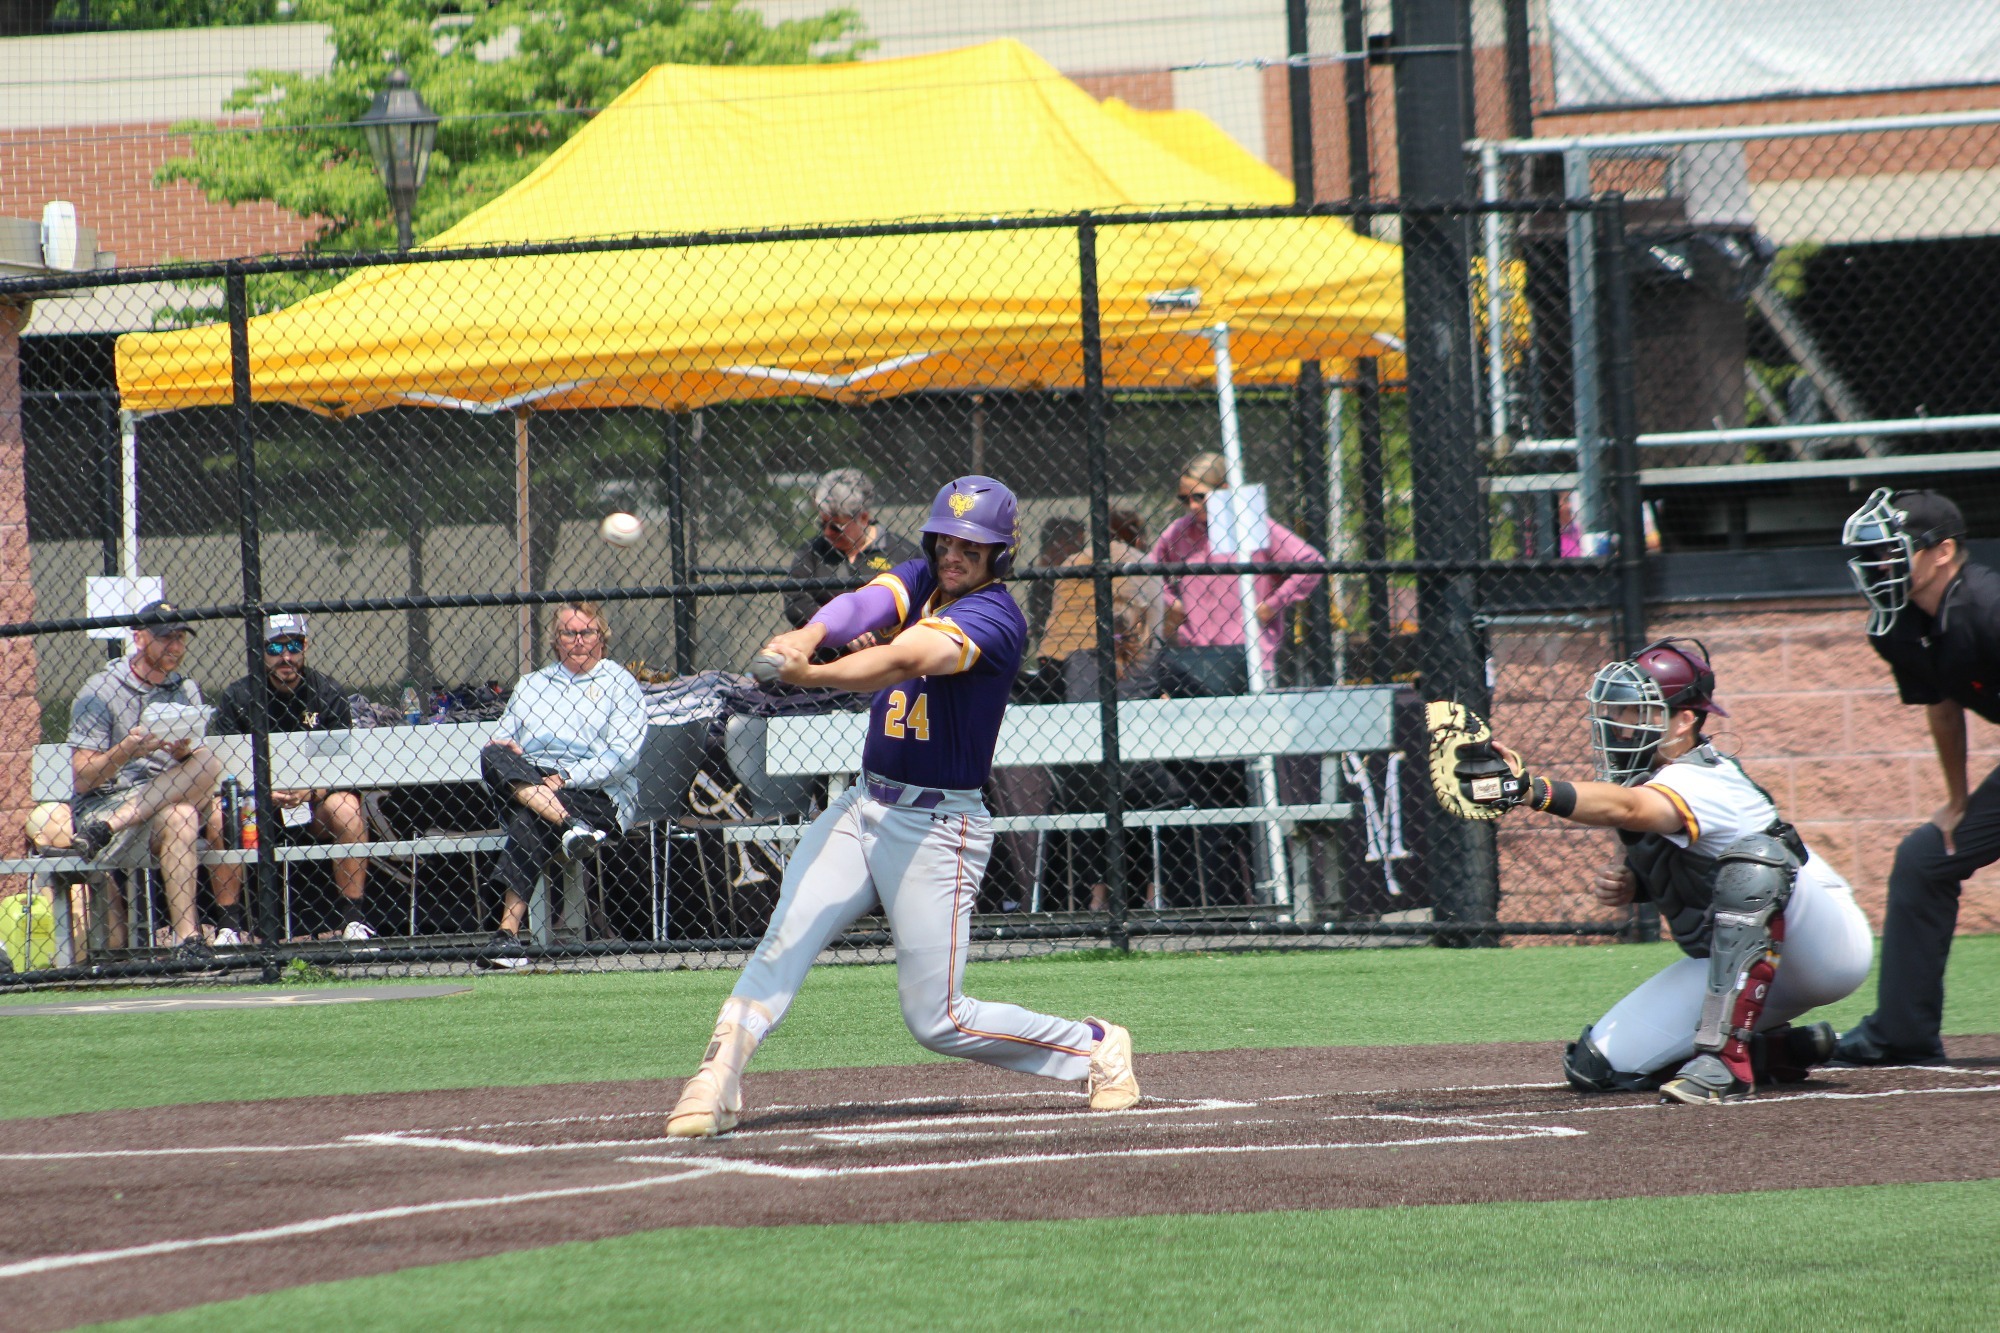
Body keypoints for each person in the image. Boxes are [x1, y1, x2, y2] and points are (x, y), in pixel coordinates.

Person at [665, 476, 1140, 1137]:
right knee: (785, 939)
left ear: (1000, 553)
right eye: (946, 540)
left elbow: (899, 660)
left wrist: (812, 672)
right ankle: (716, 1078)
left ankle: (1094, 1048)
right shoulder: (924, 577)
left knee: (938, 1020)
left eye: (971, 547)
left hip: (937, 826)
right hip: (864, 804)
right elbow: (863, 603)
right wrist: (810, 633)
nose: (954, 555)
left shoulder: (996, 617)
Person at [1454, 638, 1872, 1104]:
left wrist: (1531, 790)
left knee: (1756, 862)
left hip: (1823, 947)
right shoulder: (1652, 776)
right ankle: (1779, 1050)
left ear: (1684, 720)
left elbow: (1631, 808)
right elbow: (1690, 858)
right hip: (1749, 964)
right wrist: (1640, 885)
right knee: (1598, 1067)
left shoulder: (1702, 776)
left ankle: (1724, 1064)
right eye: (1619, 710)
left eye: (1639, 711)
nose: (1622, 722)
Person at [1834, 488, 1994, 1065]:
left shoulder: (1990, 608)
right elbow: (1944, 706)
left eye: (1892, 550)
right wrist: (1957, 800)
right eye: (1871, 554)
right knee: (1925, 859)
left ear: (1943, 551)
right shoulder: (1895, 627)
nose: (1879, 565)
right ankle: (1901, 1034)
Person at [478, 601, 647, 968]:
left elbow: (622, 757)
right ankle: (569, 825)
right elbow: (502, 741)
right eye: (569, 633)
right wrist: (525, 766)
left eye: (587, 632)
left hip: (595, 792)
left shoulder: (619, 683)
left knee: (528, 819)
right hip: (534, 780)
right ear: (556, 640)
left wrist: (567, 777)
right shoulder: (532, 685)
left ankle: (507, 935)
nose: (578, 640)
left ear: (602, 637)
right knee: (492, 754)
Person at [67, 600, 223, 965]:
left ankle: (187, 941)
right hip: (107, 801)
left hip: (144, 811)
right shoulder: (100, 691)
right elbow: (83, 779)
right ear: (139, 638)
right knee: (182, 814)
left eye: (181, 638)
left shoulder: (185, 689)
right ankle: (188, 937)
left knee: (206, 764)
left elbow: (198, 768)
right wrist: (127, 750)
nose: (176, 647)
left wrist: (182, 751)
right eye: (166, 638)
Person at [205, 613, 372, 943]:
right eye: (275, 648)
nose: (285, 656)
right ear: (261, 651)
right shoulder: (239, 697)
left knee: (347, 809)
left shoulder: (327, 693)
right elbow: (224, 769)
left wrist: (309, 792)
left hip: (312, 803)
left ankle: (353, 921)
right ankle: (228, 926)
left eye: (294, 646)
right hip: (253, 805)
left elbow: (340, 767)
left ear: (305, 646)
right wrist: (260, 792)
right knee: (217, 815)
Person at [1147, 451, 1326, 697]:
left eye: (1199, 496)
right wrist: (1173, 603)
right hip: (1195, 657)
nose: (1193, 506)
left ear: (1224, 489)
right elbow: (1147, 571)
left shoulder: (1251, 523)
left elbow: (1311, 563)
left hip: (1249, 652)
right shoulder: (1180, 530)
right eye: (1184, 499)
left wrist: (1272, 605)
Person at [782, 467, 922, 653]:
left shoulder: (903, 553)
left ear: (863, 517)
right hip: (824, 660)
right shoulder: (812, 551)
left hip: (883, 659)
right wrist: (837, 628)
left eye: (836, 527)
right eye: (822, 523)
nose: (827, 532)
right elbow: (795, 600)